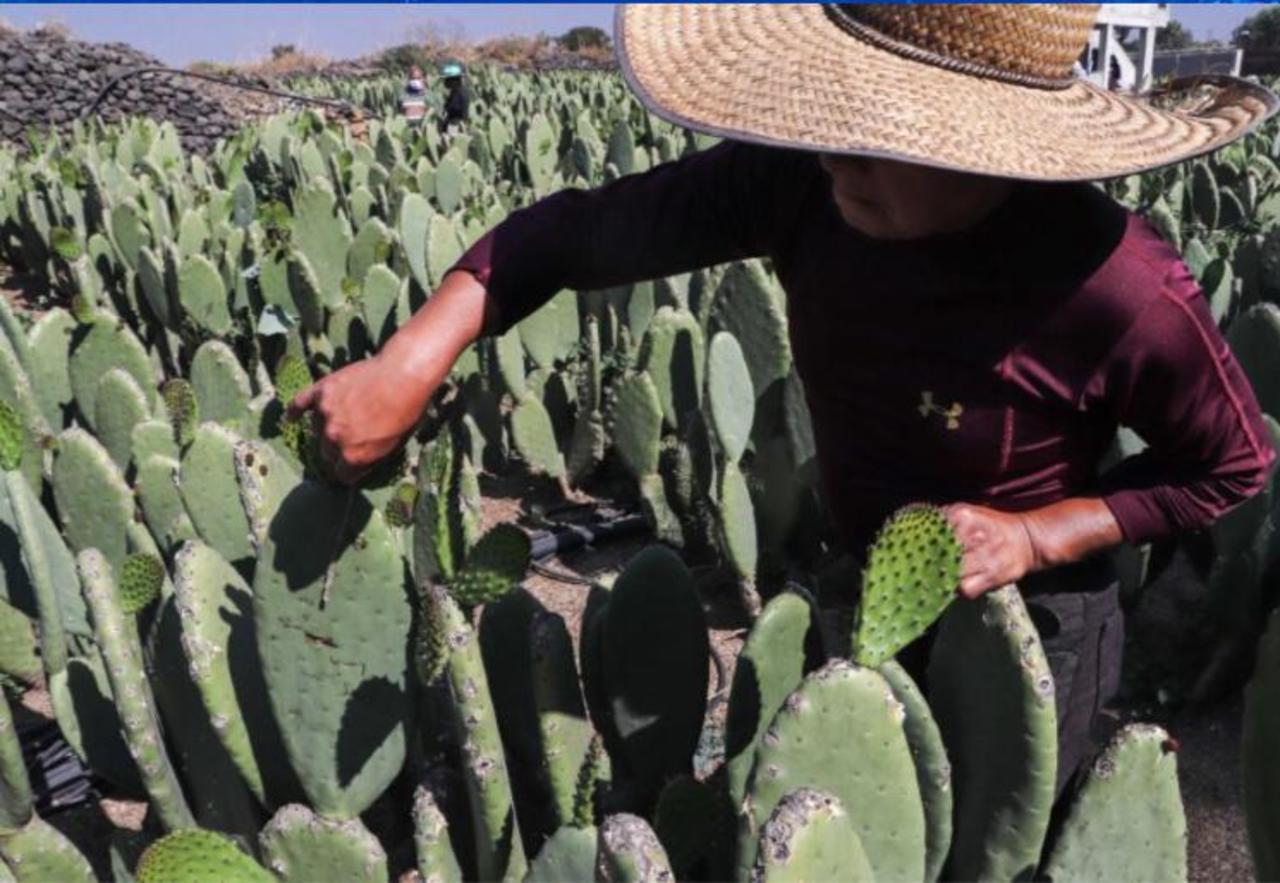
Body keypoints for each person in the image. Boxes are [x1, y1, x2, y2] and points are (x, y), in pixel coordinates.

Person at [289, 4, 1278, 791]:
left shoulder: (1115, 285)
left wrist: (1038, 534)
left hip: (1029, 633)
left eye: (881, 131)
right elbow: (570, 236)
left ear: (1000, 146)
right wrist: (411, 360)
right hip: (863, 580)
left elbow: (1230, 462)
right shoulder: (806, 185)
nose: (833, 154)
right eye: (831, 114)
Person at [439, 62, 470, 134]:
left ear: (454, 80)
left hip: (455, 126)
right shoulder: (455, 92)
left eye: (448, 79)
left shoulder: (461, 93)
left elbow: (459, 111)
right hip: (453, 124)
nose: (445, 82)